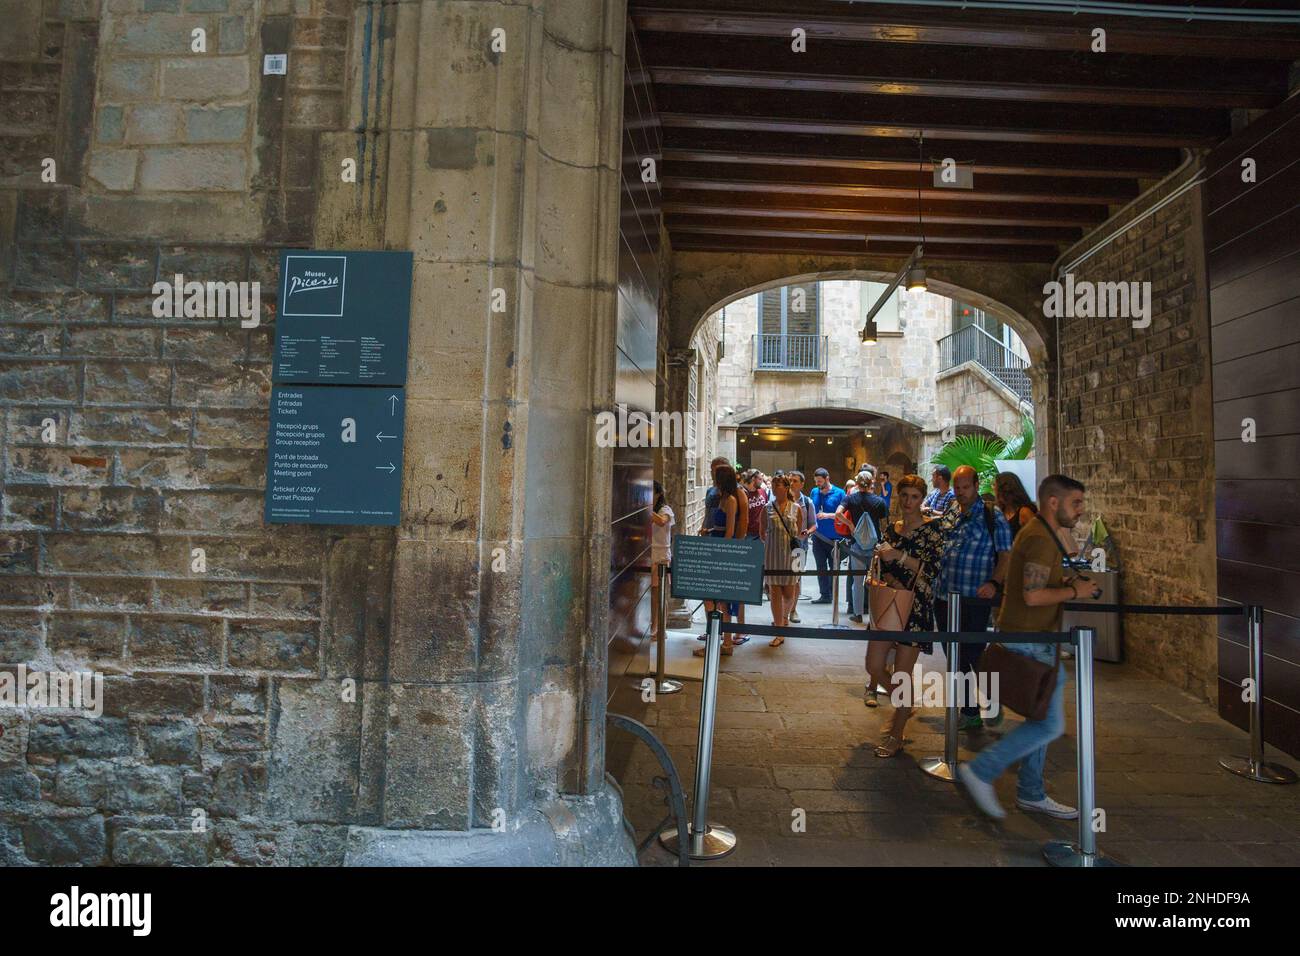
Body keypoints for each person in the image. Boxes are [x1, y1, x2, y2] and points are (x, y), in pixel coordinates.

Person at [958, 474, 1102, 820]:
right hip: (1029, 639)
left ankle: (1031, 791)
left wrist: (1066, 582)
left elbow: (1034, 583)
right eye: (1076, 502)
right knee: (1048, 725)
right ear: (1054, 502)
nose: (1080, 510)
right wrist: (1074, 591)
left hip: (1036, 638)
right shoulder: (1040, 538)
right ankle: (981, 771)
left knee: (1040, 719)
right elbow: (1032, 595)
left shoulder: (1043, 533)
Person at [867, 474, 945, 754]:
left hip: (916, 604)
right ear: (898, 497)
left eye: (915, 497)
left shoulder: (933, 531)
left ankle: (897, 734)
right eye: (905, 496)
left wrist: (897, 557)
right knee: (874, 666)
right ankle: (906, 703)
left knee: (902, 673)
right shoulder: (892, 528)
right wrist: (887, 570)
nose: (909, 502)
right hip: (888, 600)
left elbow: (933, 570)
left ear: (922, 499)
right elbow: (881, 560)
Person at [936, 464, 1012, 731]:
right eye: (957, 487)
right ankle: (969, 710)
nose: (960, 492)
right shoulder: (952, 510)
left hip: (974, 597)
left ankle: (991, 698)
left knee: (973, 652)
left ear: (976, 486)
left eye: (965, 487)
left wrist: (994, 582)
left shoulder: (993, 516)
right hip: (945, 594)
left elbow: (1005, 555)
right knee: (953, 655)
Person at [696, 459, 747, 657]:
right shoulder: (722, 498)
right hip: (715, 544)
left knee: (721, 600)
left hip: (721, 550)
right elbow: (719, 526)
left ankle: (724, 642)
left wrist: (721, 552)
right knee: (714, 599)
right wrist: (708, 530)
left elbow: (730, 531)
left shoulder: (732, 500)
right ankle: (718, 640)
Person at [836, 470, 889, 625]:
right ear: (871, 483)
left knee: (857, 582)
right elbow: (884, 524)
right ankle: (875, 616)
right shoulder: (879, 501)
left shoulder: (850, 499)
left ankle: (857, 614)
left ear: (857, 483)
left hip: (857, 544)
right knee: (875, 583)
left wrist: (851, 525)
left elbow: (838, 513)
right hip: (874, 546)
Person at [763, 475, 803, 647]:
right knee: (774, 593)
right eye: (773, 486)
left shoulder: (796, 508)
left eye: (777, 486)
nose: (774, 489)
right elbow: (761, 531)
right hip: (772, 555)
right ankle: (778, 630)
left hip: (792, 555)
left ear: (785, 488)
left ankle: (784, 616)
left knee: (789, 593)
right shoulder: (767, 508)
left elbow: (799, 532)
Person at [809, 468, 846, 604]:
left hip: (834, 538)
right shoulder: (814, 491)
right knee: (820, 566)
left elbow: (844, 515)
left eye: (820, 481)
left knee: (833, 566)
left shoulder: (840, 493)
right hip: (817, 536)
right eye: (816, 482)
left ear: (827, 478)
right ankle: (824, 595)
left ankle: (832, 593)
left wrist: (828, 515)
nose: (818, 484)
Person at [787, 471, 816, 623]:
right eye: (790, 480)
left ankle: (793, 610)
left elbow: (814, 524)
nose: (792, 483)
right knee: (781, 578)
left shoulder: (807, 502)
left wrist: (808, 532)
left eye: (795, 481)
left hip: (799, 546)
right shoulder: (781, 500)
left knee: (796, 578)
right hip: (782, 547)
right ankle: (781, 611)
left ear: (802, 484)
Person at [649, 481, 674, 637]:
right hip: (649, 554)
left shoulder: (665, 510)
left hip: (660, 555)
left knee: (659, 595)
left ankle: (660, 628)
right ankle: (653, 626)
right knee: (651, 595)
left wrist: (644, 506)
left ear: (658, 494)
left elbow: (662, 520)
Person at [994, 471, 1037, 540]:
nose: (994, 489)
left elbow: (1036, 536)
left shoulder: (1024, 512)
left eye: (995, 486)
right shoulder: (999, 511)